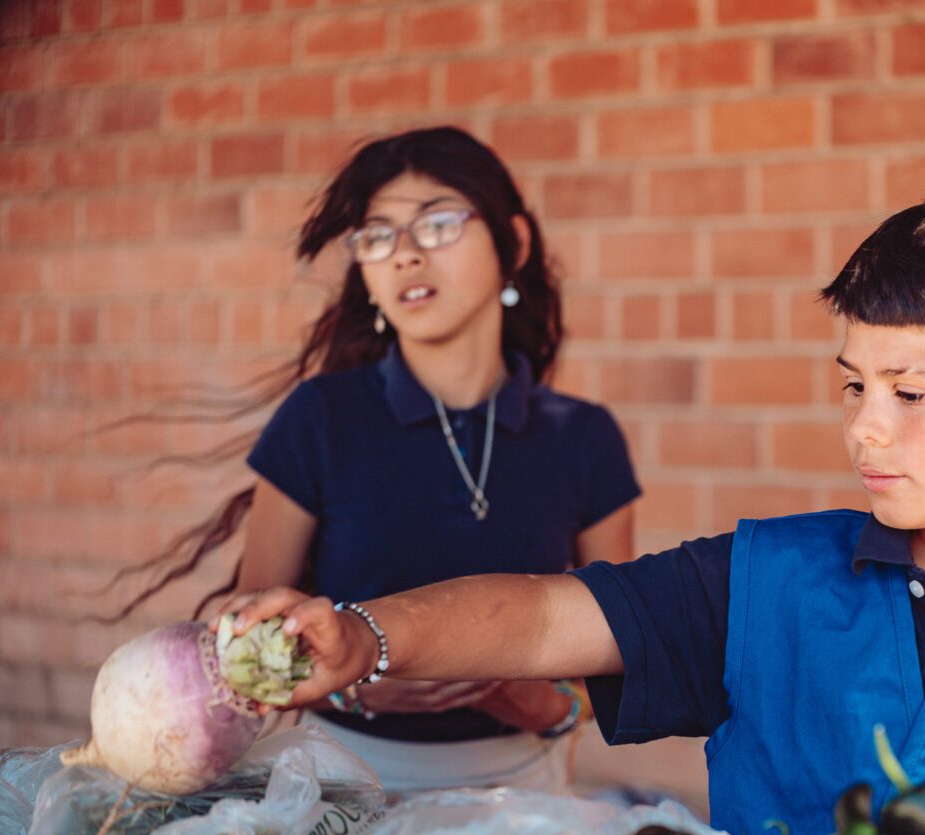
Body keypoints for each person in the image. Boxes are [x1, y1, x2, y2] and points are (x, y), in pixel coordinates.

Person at [223, 188, 925, 835]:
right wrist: (365, 635)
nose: (864, 429)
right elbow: (549, 615)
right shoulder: (770, 578)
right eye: (851, 386)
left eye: (909, 393)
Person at [124, 126, 641, 795]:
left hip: (519, 798)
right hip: (339, 789)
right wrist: (349, 680)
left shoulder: (585, 438)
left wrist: (557, 705)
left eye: (438, 224)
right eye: (378, 235)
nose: (405, 255)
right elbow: (244, 629)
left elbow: (629, 647)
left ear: (512, 242)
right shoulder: (321, 418)